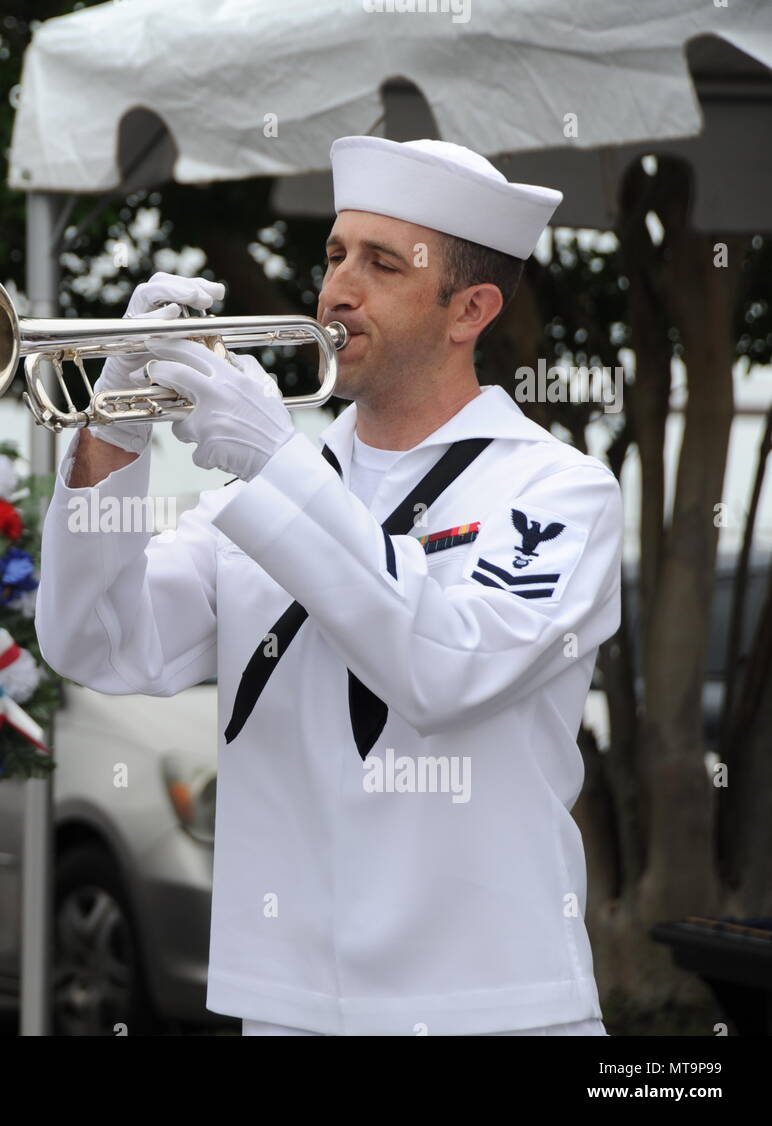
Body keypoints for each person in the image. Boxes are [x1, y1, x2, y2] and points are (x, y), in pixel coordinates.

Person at [33, 136, 621, 1036]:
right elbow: (98, 645)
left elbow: (446, 667)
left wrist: (274, 463)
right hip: (282, 998)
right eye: (336, 255)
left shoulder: (554, 489)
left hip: (490, 1002)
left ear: (470, 310)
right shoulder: (276, 491)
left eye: (383, 263)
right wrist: (113, 429)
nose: (338, 289)